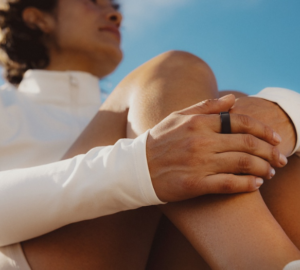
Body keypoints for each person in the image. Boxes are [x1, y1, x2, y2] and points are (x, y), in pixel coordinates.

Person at [0, 0, 299, 269]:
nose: (115, 16)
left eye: (115, 7)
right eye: (92, 1)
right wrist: (138, 166)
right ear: (37, 18)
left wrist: (288, 114)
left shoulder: (131, 111)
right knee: (172, 71)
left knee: (238, 124)